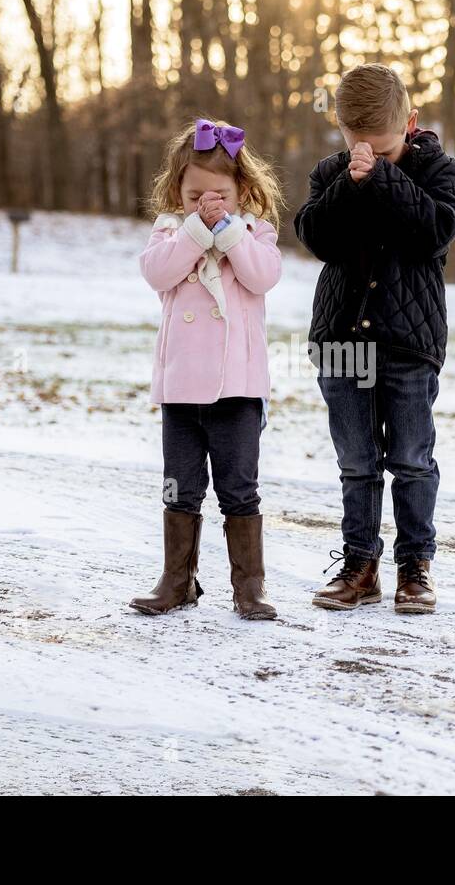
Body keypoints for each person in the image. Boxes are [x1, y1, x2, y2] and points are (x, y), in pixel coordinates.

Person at [294, 64, 455, 615]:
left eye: (386, 151)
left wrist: (386, 179)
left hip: (408, 344)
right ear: (343, 133)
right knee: (356, 462)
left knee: (412, 459)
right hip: (341, 340)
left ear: (410, 124)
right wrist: (350, 184)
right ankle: (359, 564)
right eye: (357, 146)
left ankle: (415, 567)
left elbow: (436, 232)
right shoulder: (331, 173)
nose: (371, 157)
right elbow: (315, 237)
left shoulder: (438, 168)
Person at [131, 118, 284, 620]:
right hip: (181, 386)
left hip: (236, 388)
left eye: (219, 193)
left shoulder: (255, 233)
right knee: (180, 483)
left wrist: (231, 234)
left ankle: (250, 587)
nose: (207, 203)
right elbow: (158, 273)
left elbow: (263, 278)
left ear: (241, 191)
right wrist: (197, 231)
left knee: (240, 487)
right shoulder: (170, 233)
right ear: (178, 191)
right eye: (195, 193)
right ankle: (178, 579)